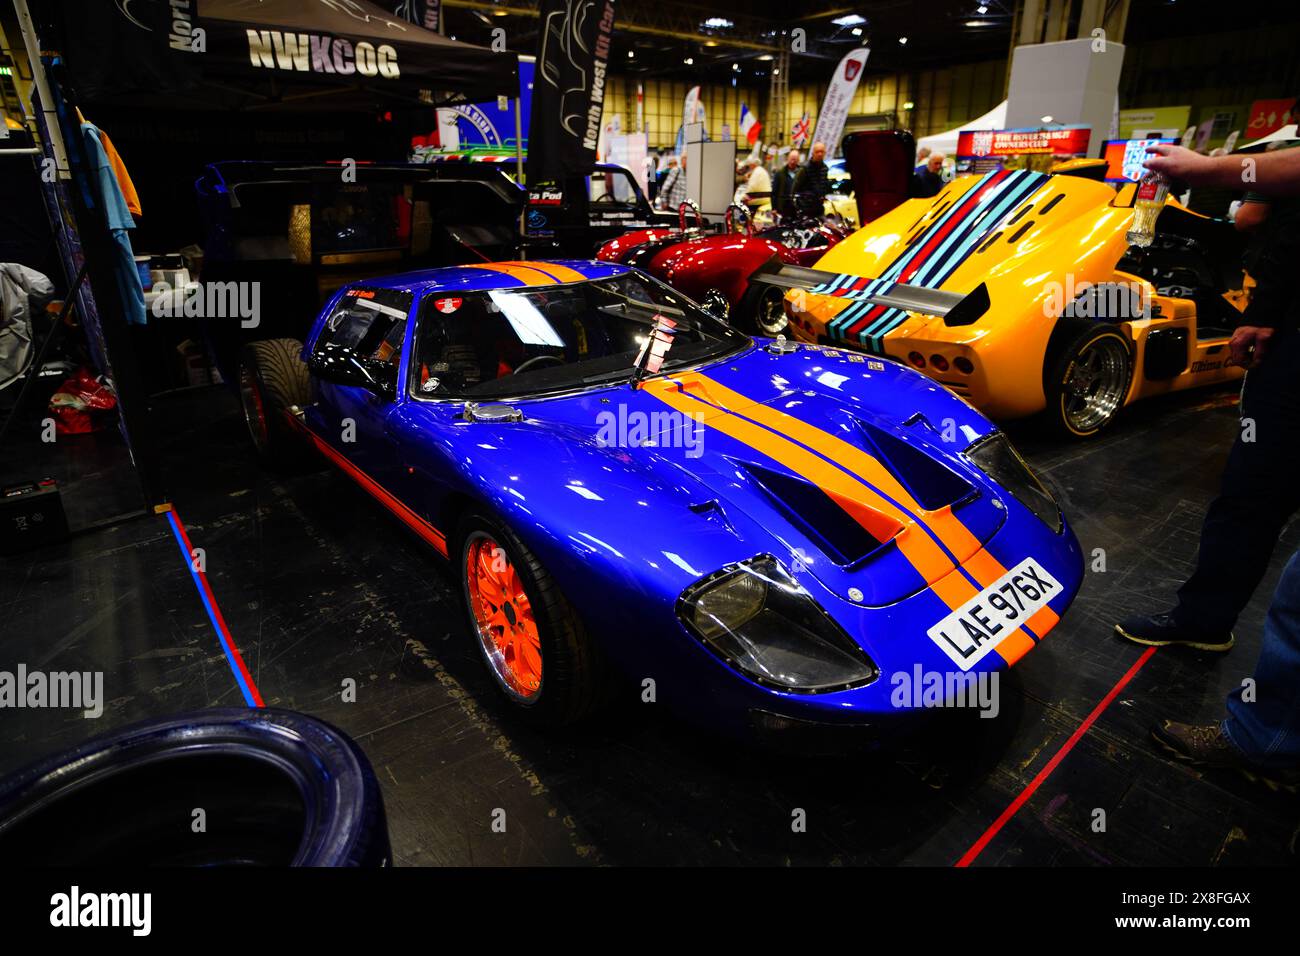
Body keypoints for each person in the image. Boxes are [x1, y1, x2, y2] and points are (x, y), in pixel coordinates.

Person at [1115, 138, 1300, 787]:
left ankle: (1272, 736)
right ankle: (1202, 621)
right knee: (1246, 495)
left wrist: (1203, 168)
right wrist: (1268, 313)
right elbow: (1265, 223)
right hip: (1289, 341)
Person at [793, 141, 830, 216]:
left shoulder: (825, 168)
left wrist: (823, 195)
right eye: (817, 152)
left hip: (819, 208)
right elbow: (795, 188)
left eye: (822, 152)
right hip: (805, 209)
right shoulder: (804, 169)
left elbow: (824, 185)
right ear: (812, 153)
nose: (820, 154)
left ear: (825, 153)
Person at [772, 149, 802, 219]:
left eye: (795, 160)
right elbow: (774, 192)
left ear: (798, 161)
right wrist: (774, 208)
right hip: (783, 208)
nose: (792, 162)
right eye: (791, 159)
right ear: (787, 159)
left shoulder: (802, 174)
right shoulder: (779, 173)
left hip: (797, 208)